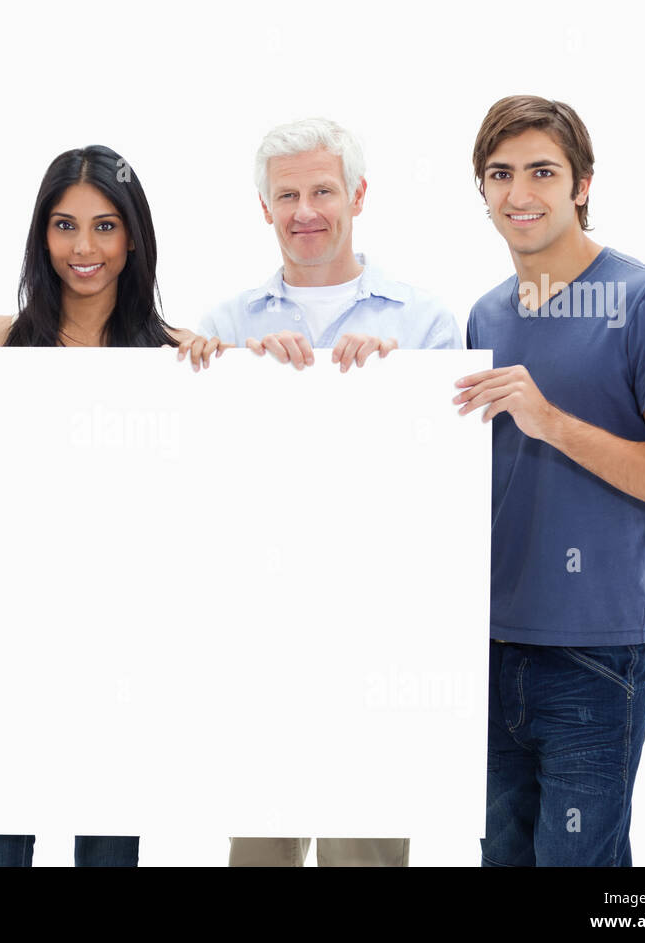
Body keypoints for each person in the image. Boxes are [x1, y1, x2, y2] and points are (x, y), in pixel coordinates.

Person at [455, 95, 645, 866]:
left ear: (582, 184)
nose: (519, 193)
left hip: (594, 654)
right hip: (488, 644)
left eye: (543, 171)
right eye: (499, 174)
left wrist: (554, 422)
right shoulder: (484, 316)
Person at [0, 143, 214, 866]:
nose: (83, 248)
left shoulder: (179, 355)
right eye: (64, 226)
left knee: (108, 854)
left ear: (133, 236)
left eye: (104, 226)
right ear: (42, 236)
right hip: (10, 646)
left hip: (124, 653)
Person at [198, 117, 462, 868]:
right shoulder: (224, 326)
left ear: (358, 194)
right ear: (264, 207)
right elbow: (198, 481)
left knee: (364, 858)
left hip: (377, 635)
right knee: (259, 854)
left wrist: (396, 389)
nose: (304, 211)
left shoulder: (424, 322)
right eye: (287, 195)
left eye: (322, 190)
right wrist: (238, 375)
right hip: (258, 639)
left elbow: (443, 489)